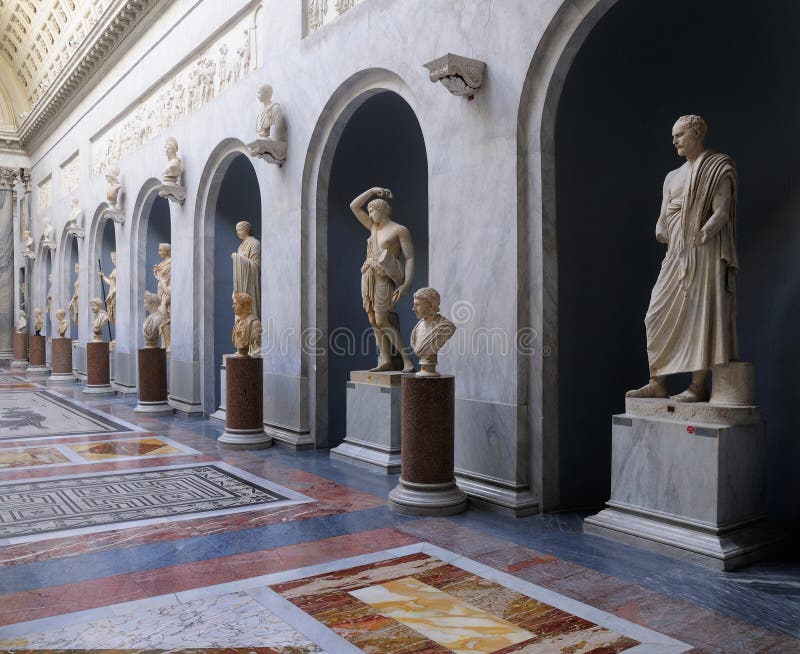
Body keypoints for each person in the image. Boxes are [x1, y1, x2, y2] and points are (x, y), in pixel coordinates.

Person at [627, 115, 738, 402]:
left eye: (680, 135)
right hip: (676, 253)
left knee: (699, 314)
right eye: (673, 136)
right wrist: (661, 227)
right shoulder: (671, 177)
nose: (674, 140)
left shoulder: (716, 167)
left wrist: (702, 234)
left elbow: (721, 212)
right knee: (654, 315)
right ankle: (657, 381)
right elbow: (663, 217)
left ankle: (698, 386)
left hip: (703, 252)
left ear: (696, 133)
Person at [350, 187, 415, 372]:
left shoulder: (399, 230)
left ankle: (407, 359)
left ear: (384, 209)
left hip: (383, 276)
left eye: (373, 210)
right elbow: (354, 206)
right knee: (372, 320)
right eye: (368, 211)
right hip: (367, 275)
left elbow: (410, 258)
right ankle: (385, 359)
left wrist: (406, 284)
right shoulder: (373, 228)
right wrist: (372, 191)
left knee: (382, 320)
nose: (370, 215)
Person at [410, 287, 456, 377]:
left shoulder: (446, 327)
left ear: (430, 305)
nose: (413, 309)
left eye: (417, 305)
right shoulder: (417, 327)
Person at [231, 221, 261, 318]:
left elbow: (256, 266)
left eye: (240, 230)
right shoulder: (240, 246)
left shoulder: (255, 244)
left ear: (247, 230)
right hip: (241, 283)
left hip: (250, 284)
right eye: (237, 231)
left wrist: (239, 259)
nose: (238, 233)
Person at [153, 243, 171, 350]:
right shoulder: (163, 263)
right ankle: (165, 344)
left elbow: (164, 280)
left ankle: (168, 344)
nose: (159, 252)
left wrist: (158, 276)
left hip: (166, 291)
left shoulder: (170, 263)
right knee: (162, 316)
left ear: (166, 251)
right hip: (161, 291)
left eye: (161, 250)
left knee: (164, 316)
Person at [231, 292, 262, 357]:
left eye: (235, 304)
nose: (232, 307)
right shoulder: (237, 324)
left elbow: (258, 348)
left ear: (244, 305)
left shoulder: (254, 324)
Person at [98, 252, 117, 324]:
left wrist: (113, 291)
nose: (113, 261)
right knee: (111, 315)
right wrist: (103, 276)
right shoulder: (114, 270)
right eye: (112, 259)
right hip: (111, 294)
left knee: (115, 314)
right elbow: (111, 283)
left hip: (115, 295)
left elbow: (120, 285)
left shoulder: (120, 271)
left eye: (114, 259)